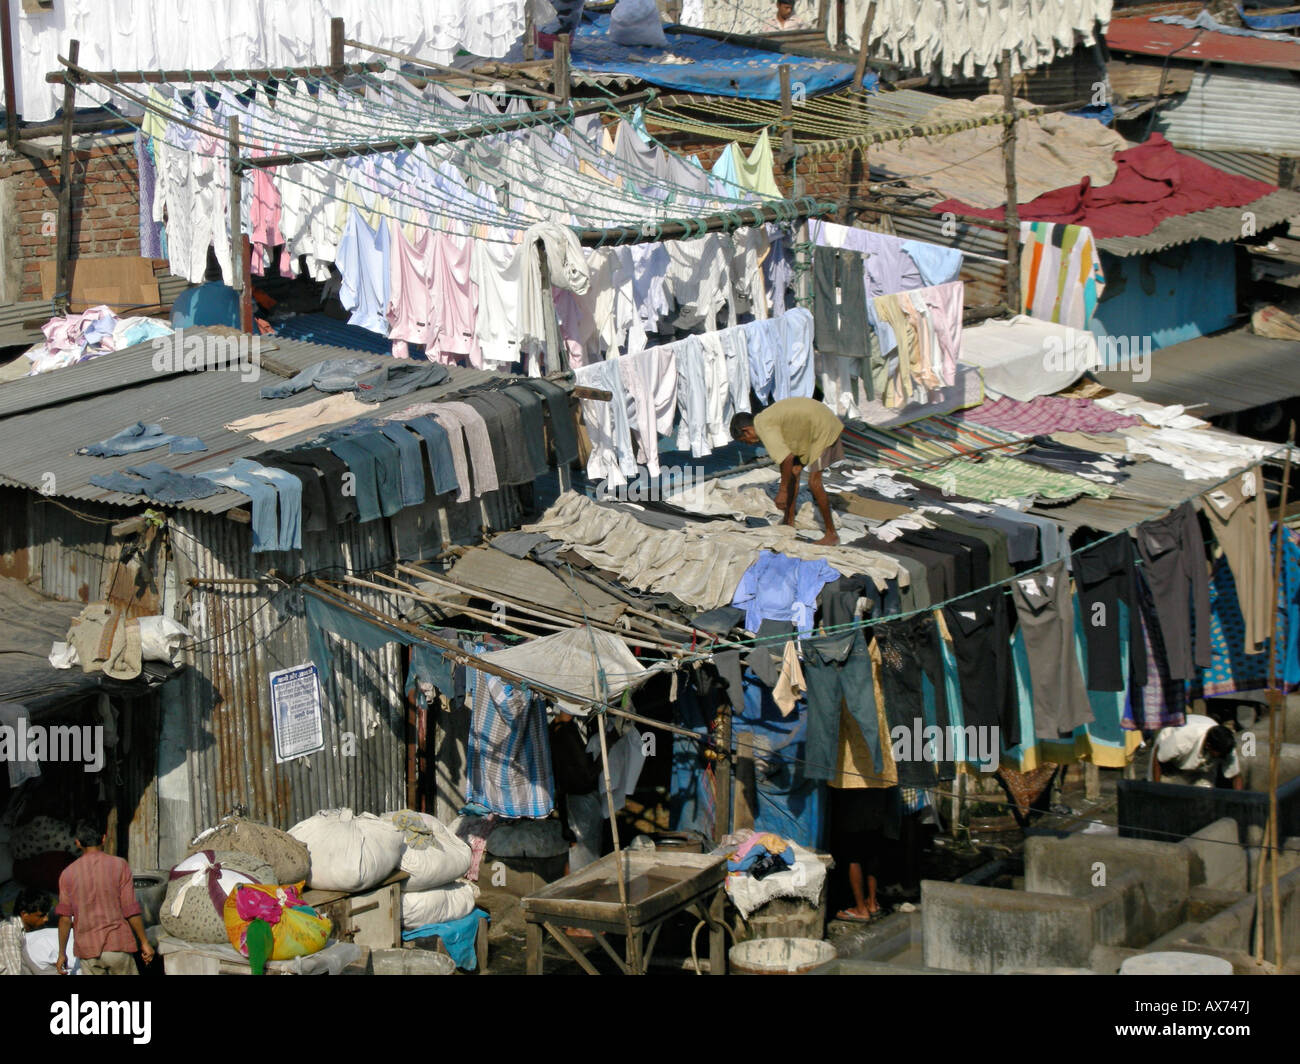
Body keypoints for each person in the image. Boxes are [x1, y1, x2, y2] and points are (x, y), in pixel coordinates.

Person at [731, 397, 845, 545]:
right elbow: (785, 460)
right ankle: (789, 520)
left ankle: (831, 534)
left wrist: (782, 491)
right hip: (813, 424)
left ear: (746, 431)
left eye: (744, 440)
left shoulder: (763, 427)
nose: (748, 443)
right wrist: (785, 485)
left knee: (814, 483)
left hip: (822, 427)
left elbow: (786, 457)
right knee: (794, 472)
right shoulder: (764, 419)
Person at [55, 821, 154, 976]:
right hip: (117, 945)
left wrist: (62, 953)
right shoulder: (120, 865)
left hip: (88, 952)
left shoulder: (67, 873)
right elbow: (130, 909)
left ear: (78, 843)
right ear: (103, 838)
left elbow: (65, 919)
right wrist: (144, 942)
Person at [550, 711, 604, 874]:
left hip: (571, 798)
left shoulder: (556, 727)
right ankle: (575, 890)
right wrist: (607, 748)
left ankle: (574, 889)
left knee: (578, 849)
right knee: (581, 851)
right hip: (579, 799)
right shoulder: (566, 731)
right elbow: (585, 776)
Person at [1151, 715, 1243, 789]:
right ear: (1208, 745)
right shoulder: (1182, 739)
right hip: (1169, 756)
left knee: (1206, 794)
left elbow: (1236, 776)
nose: (1223, 757)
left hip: (1200, 766)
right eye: (1219, 755)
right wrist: (1157, 789)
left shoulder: (1226, 746)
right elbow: (1158, 758)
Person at [0, 888, 51, 975]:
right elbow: (14, 972)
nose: (46, 919)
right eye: (41, 916)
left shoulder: (22, 929)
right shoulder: (9, 932)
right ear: (24, 914)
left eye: (46, 914)